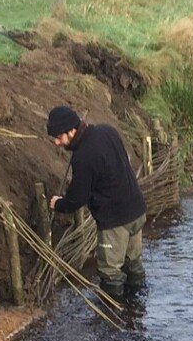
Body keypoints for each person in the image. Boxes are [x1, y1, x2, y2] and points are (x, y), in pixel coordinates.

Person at [47, 105, 147, 301]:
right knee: (133, 263)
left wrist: (58, 204)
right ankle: (137, 306)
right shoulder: (107, 131)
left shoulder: (83, 156)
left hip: (116, 221)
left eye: (59, 137)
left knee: (110, 272)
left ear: (71, 130)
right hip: (137, 211)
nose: (57, 142)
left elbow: (76, 199)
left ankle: (114, 316)